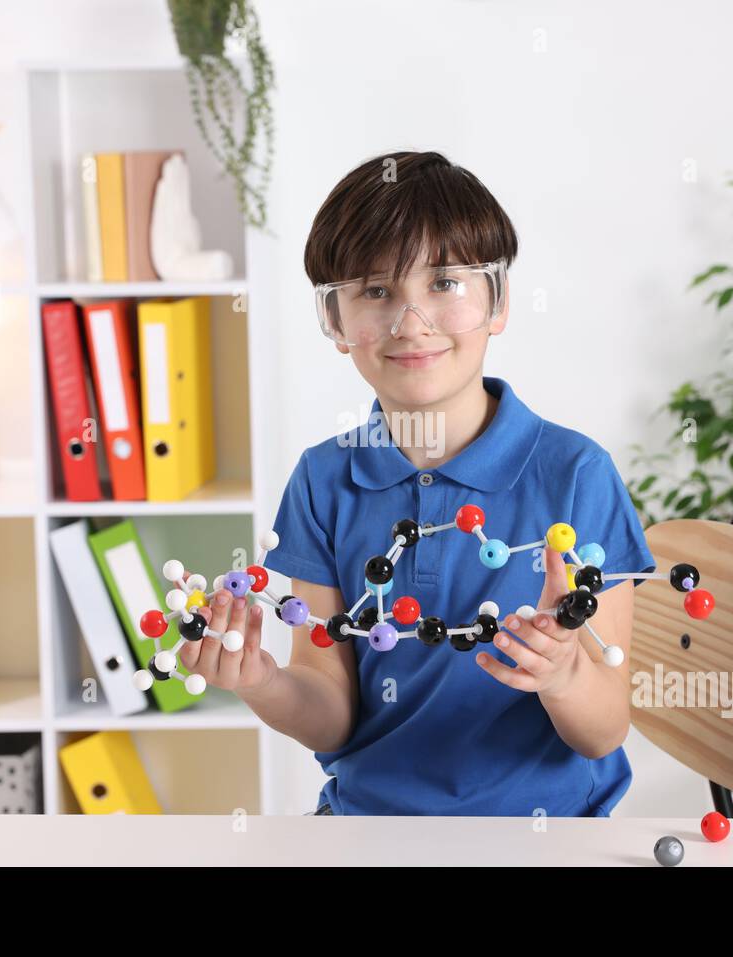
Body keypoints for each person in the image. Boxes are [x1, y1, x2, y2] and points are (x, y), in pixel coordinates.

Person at [177, 151, 655, 816]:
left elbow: (604, 728)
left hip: (549, 832)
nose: (410, 320)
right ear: (336, 321)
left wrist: (565, 671)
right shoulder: (324, 479)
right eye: (376, 291)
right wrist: (260, 680)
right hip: (371, 829)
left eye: (445, 283)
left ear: (499, 300)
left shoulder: (576, 476)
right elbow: (331, 713)